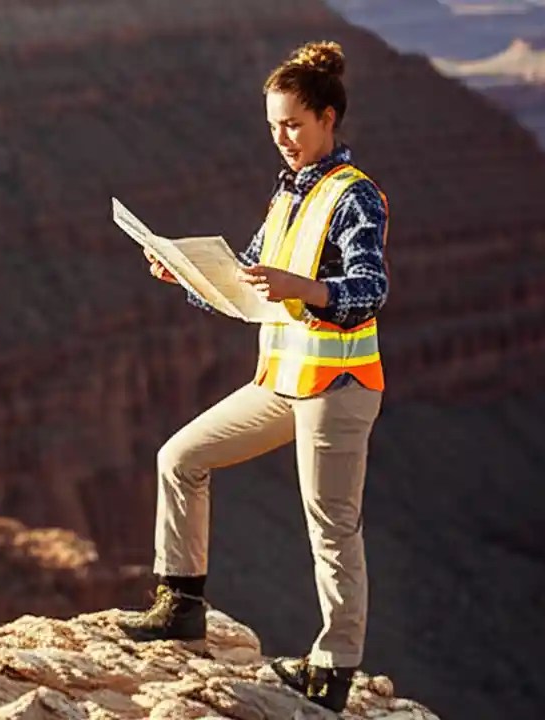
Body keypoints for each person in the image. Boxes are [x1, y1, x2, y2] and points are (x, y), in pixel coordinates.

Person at [116, 40, 391, 713]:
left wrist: (303, 285)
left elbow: (369, 289)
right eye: (273, 126)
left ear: (329, 118)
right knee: (180, 457)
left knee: (331, 526)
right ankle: (180, 602)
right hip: (282, 380)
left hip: (338, 387)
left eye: (294, 124)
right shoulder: (288, 193)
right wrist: (184, 273)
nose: (282, 139)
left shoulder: (356, 197)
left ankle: (334, 666)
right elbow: (248, 279)